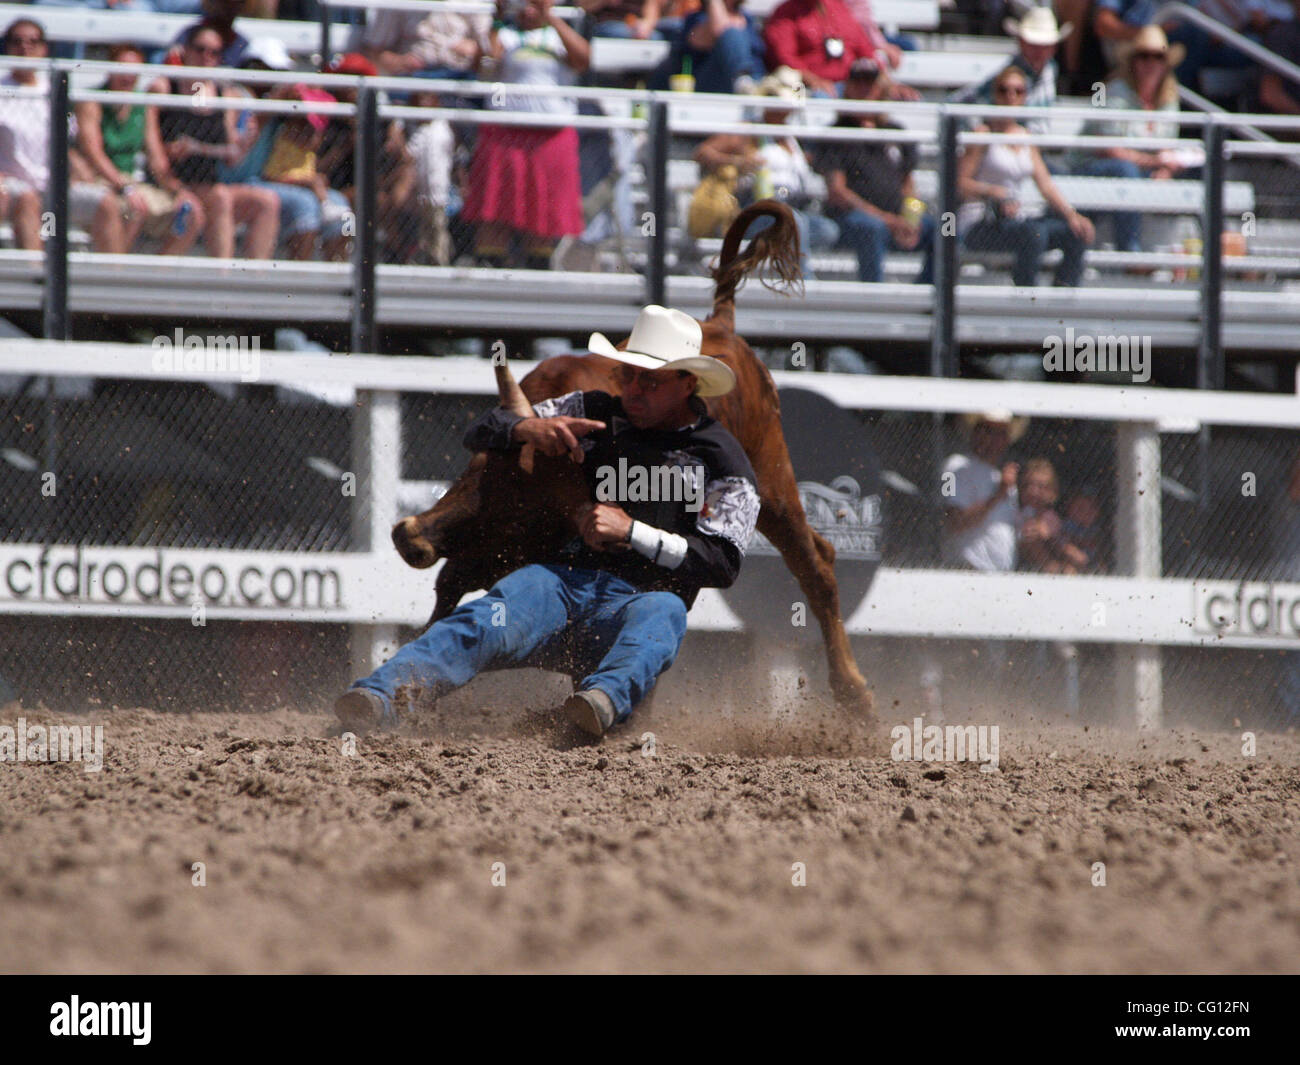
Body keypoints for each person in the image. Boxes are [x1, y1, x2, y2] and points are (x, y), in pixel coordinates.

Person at [333, 304, 761, 738]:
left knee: (664, 614)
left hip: (643, 601)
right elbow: (480, 431)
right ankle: (381, 697)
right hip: (557, 586)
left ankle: (596, 707)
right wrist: (525, 430)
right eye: (627, 374)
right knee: (486, 618)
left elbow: (723, 563)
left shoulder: (721, 459)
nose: (632, 388)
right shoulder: (592, 411)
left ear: (688, 383)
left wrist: (632, 532)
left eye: (649, 379)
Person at [462, 0, 589, 269]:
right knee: (495, 210)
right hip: (506, 133)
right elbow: (485, 64)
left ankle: (537, 272)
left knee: (542, 214)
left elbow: (583, 60)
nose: (528, 8)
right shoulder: (506, 35)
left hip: (550, 135)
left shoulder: (557, 35)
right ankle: (489, 271)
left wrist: (550, 17)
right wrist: (496, 19)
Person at [145, 24, 280, 258]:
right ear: (185, 50)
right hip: (169, 182)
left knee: (266, 201)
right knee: (219, 197)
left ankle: (256, 282)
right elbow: (154, 153)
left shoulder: (224, 96)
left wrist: (247, 139)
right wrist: (175, 188)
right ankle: (221, 277)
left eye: (215, 52)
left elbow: (231, 159)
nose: (207, 57)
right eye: (200, 49)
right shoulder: (164, 88)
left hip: (209, 186)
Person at [0, 19, 132, 253]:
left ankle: (112, 280)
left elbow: (66, 146)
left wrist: (78, 170)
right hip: (11, 187)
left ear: (44, 49)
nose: (24, 48)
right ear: (7, 47)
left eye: (33, 42)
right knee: (28, 200)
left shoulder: (54, 91)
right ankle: (38, 281)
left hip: (54, 186)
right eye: (17, 41)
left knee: (105, 203)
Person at [693, 67, 838, 277]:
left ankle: (786, 263)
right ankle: (803, 281)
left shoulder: (790, 138)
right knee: (792, 222)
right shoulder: (750, 130)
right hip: (754, 208)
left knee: (826, 230)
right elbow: (703, 152)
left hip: (793, 206)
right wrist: (738, 161)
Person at [957, 66, 1095, 286]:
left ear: (1025, 97)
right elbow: (959, 183)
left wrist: (1072, 216)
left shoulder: (1025, 138)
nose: (1011, 97)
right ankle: (1026, 296)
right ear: (994, 94)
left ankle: (1062, 297)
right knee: (1033, 233)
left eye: (1018, 91)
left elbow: (1046, 185)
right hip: (980, 223)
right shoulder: (983, 135)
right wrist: (992, 192)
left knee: (1075, 233)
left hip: (1015, 221)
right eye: (1004, 90)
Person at [1071, 25, 1196, 254]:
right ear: (1133, 61)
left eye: (1158, 57)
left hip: (1140, 169)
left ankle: (1211, 249)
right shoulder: (1114, 92)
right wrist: (1157, 164)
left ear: (1165, 63)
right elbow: (1109, 149)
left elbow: (1166, 149)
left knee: (1199, 168)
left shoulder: (1169, 97)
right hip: (1092, 167)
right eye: (1144, 56)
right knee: (1125, 171)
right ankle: (1129, 250)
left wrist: (1166, 170)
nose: (1150, 63)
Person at [73, 42, 205, 254]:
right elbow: (93, 153)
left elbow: (155, 156)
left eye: (133, 71)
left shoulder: (142, 104)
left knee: (191, 212)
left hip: (130, 182)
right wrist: (125, 187)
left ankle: (161, 276)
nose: (127, 76)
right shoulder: (92, 101)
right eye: (122, 69)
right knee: (135, 208)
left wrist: (177, 190)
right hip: (98, 180)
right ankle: (115, 276)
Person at [816, 58, 934, 283]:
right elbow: (837, 192)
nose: (865, 88)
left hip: (897, 219)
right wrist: (886, 219)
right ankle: (876, 296)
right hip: (852, 220)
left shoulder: (895, 132)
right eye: (858, 82)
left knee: (947, 228)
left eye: (870, 82)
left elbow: (908, 182)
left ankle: (930, 300)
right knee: (871, 228)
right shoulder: (837, 134)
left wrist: (911, 219)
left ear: (880, 88)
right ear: (848, 88)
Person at [950, 7, 1069, 136]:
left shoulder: (1051, 69)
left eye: (1045, 46)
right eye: (1034, 45)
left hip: (1033, 144)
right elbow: (963, 103)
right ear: (1021, 43)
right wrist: (981, 128)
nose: (1039, 52)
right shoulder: (1008, 75)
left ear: (1054, 48)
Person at [762, 0, 878, 97]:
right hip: (812, 87)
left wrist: (882, 75)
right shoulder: (785, 13)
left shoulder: (838, 6)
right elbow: (785, 57)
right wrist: (814, 80)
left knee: (884, 92)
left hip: (852, 83)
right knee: (821, 96)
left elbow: (863, 46)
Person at [362, 7, 490, 79]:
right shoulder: (395, 4)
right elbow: (373, 52)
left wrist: (474, 50)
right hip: (413, 79)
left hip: (459, 78)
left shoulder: (473, 3)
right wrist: (400, 61)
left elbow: (491, 51)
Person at [671, 0, 766, 94]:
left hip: (757, 82)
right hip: (713, 84)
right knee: (732, 34)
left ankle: (751, 84)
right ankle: (743, 81)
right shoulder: (697, 18)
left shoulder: (748, 18)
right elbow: (720, 30)